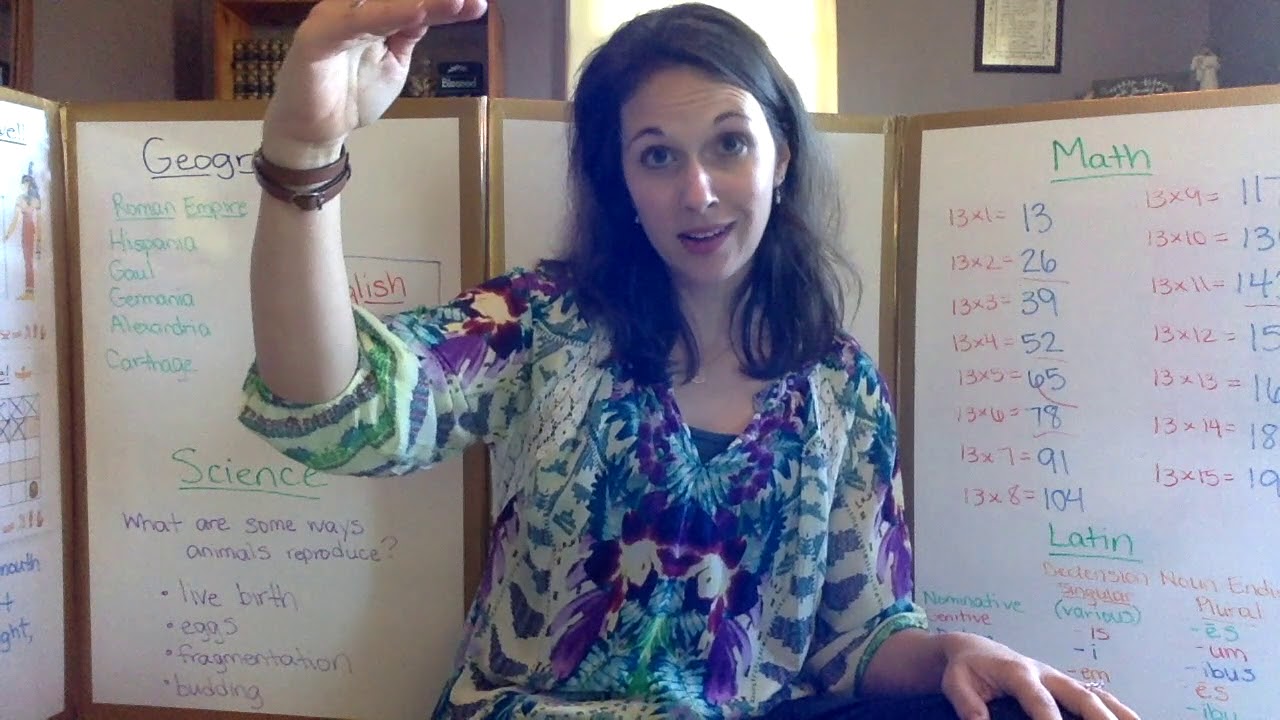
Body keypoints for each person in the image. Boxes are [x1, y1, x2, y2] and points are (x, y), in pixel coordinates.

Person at [238, 2, 1142, 719]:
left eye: (730, 144)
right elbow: (340, 410)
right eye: (658, 156)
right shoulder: (542, 324)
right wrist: (304, 147)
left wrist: (953, 653)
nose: (698, 191)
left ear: (781, 153)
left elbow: (857, 636)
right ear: (622, 182)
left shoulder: (838, 384)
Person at [3, 163, 40, 301]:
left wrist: (7, 234)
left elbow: (16, 220)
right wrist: (7, 234)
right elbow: (16, 221)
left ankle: (30, 291)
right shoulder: (32, 200)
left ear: (27, 184)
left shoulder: (26, 200)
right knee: (28, 260)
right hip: (28, 229)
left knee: (28, 260)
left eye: (23, 184)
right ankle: (29, 290)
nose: (22, 186)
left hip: (28, 229)